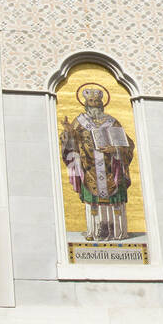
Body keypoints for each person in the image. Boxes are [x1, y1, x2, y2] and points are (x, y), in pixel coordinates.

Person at [59, 83, 135, 240]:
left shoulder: (112, 122)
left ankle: (118, 232)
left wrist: (115, 150)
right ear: (86, 104)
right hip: (90, 169)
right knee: (93, 203)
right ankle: (94, 232)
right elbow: (71, 145)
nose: (95, 105)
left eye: (97, 102)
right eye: (91, 102)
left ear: (102, 104)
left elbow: (127, 144)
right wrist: (68, 131)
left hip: (112, 169)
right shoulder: (79, 121)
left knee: (115, 202)